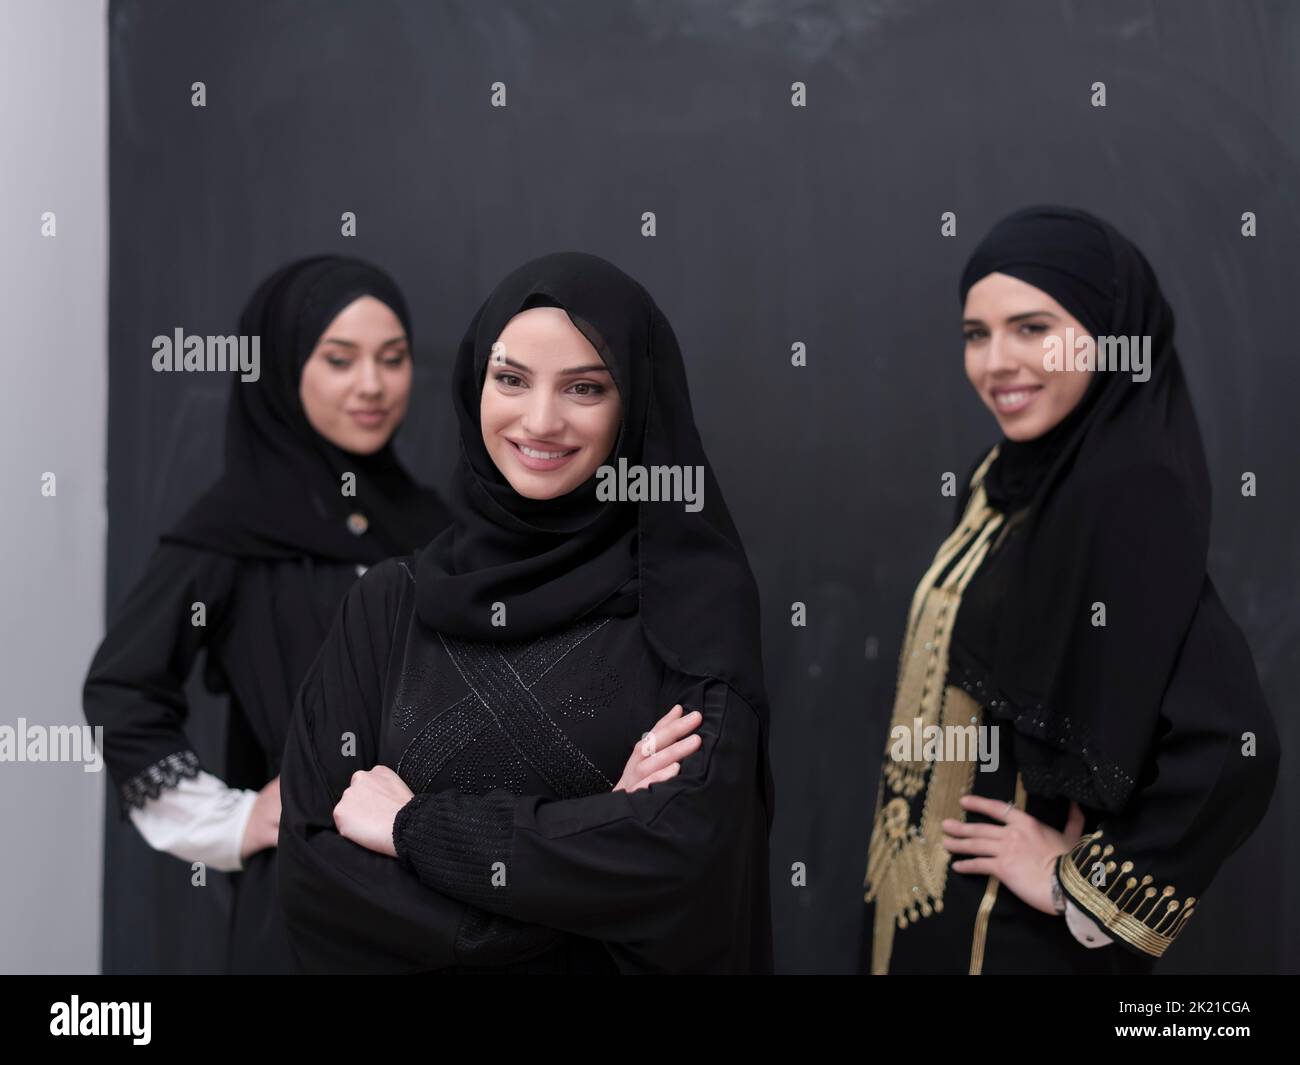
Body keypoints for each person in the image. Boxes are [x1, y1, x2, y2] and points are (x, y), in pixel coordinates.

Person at [277, 250, 776, 974]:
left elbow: (686, 858)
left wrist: (415, 829)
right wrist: (595, 845)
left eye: (584, 388)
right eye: (511, 379)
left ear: (635, 405)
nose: (541, 420)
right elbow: (317, 879)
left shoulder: (693, 602)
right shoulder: (389, 603)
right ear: (474, 382)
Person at [861, 206, 1279, 975]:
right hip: (917, 916)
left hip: (1015, 944)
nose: (995, 362)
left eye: (1032, 328)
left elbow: (1230, 744)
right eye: (976, 334)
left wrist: (1074, 886)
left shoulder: (1126, 499)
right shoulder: (1000, 483)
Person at [83, 255, 451, 973]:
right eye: (339, 359)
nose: (372, 385)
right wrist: (233, 820)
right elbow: (123, 689)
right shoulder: (234, 532)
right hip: (309, 904)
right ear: (283, 369)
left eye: (393, 358)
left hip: (447, 885)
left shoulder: (437, 527)